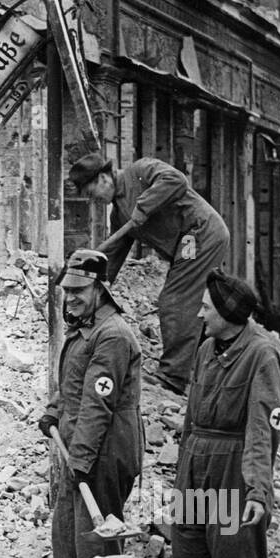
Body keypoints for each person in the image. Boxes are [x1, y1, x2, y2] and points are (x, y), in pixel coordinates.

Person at [172, 270, 280, 558]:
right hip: (196, 466)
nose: (200, 313)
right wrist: (181, 474)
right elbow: (190, 419)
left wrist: (257, 491)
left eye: (206, 307)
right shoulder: (205, 349)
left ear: (227, 314)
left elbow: (263, 429)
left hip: (232, 471)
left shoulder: (262, 355)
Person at [38, 249, 143, 558]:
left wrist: (81, 460)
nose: (71, 298)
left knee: (96, 545)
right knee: (66, 534)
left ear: (101, 289)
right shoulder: (84, 329)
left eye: (79, 291)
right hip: (81, 448)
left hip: (106, 450)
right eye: (67, 291)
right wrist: (53, 411)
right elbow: (74, 386)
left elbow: (98, 404)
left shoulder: (112, 336)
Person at [68, 152, 230, 396]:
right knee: (200, 304)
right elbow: (113, 255)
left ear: (103, 178)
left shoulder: (141, 171)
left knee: (176, 300)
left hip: (200, 233)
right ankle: (205, 369)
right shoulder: (119, 214)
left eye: (92, 194)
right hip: (187, 245)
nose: (95, 201)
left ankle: (173, 377)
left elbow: (176, 180)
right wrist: (93, 284)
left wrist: (143, 207)